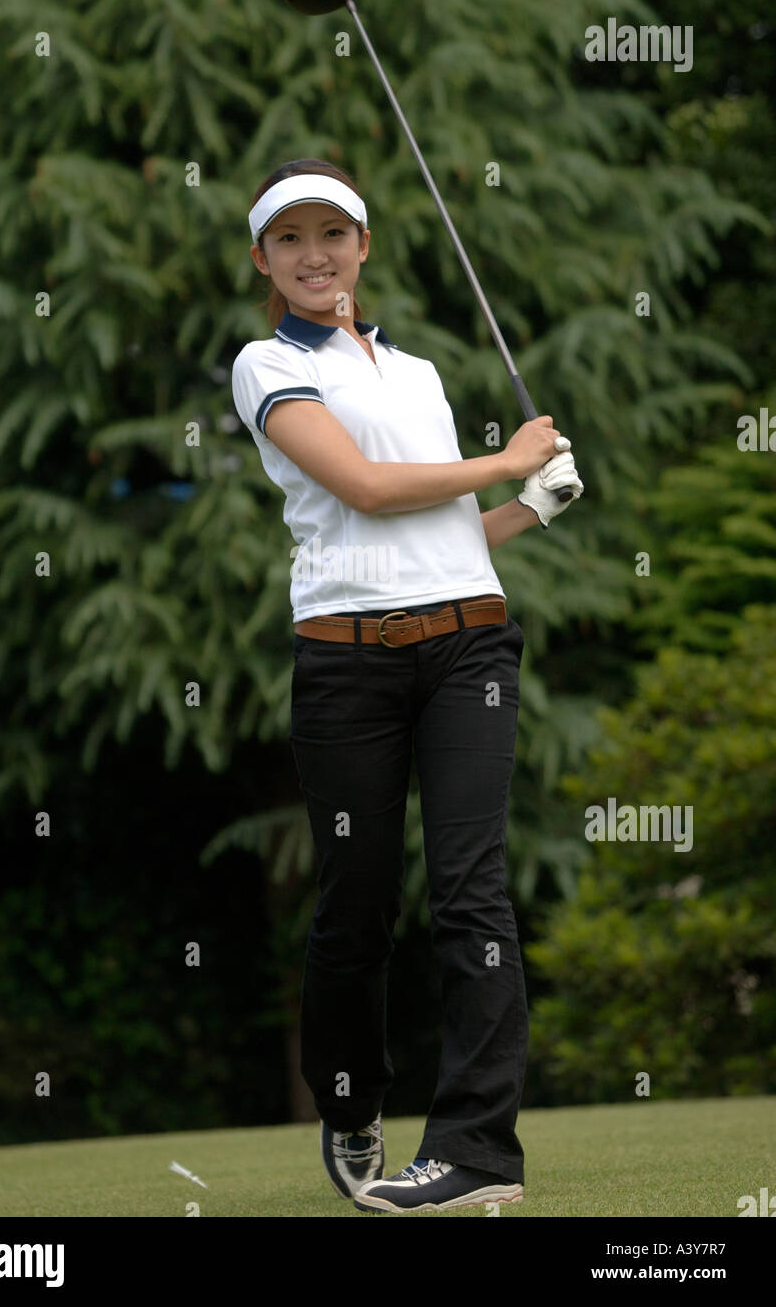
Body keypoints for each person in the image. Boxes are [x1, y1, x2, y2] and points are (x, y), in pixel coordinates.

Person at [231, 158, 583, 1214]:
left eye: (330, 234)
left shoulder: (418, 372)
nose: (313, 255)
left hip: (468, 645)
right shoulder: (263, 364)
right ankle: (349, 1095)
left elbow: (438, 536)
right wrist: (504, 456)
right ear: (263, 259)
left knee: (471, 892)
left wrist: (532, 505)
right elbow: (369, 493)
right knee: (357, 902)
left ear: (363, 246)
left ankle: (475, 1152)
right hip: (346, 661)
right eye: (288, 240)